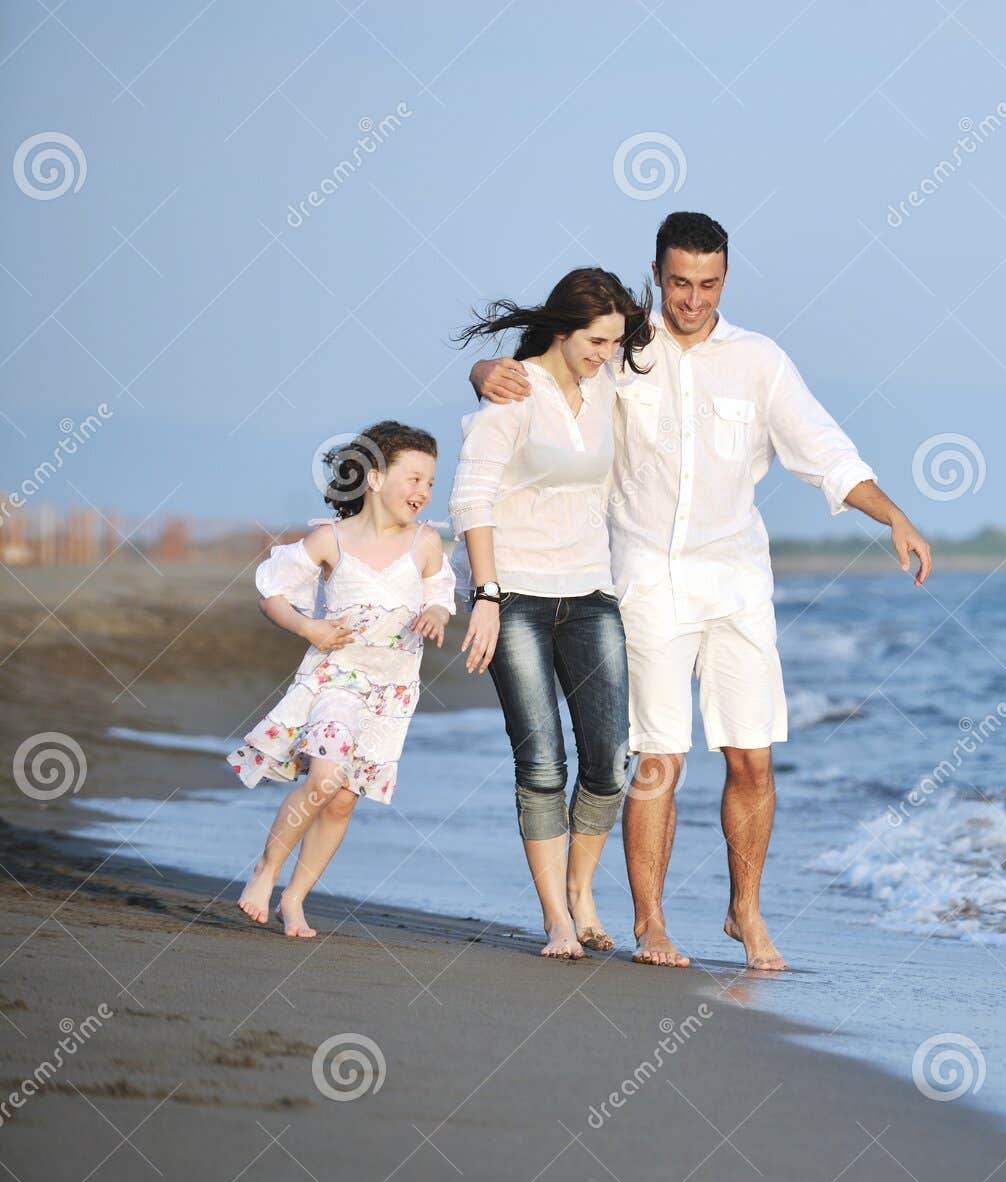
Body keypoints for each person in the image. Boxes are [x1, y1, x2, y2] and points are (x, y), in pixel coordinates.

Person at [471, 212, 933, 970]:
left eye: (709, 283)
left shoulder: (760, 360)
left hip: (738, 579)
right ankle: (651, 921)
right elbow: (542, 374)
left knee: (752, 757)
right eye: (680, 282)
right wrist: (483, 372)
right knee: (658, 757)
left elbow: (825, 452)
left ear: (727, 278)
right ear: (657, 272)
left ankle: (745, 912)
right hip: (646, 576)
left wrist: (896, 517)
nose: (692, 298)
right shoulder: (625, 351)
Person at [450, 268, 655, 959]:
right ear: (564, 329)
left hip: (591, 591)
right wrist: (485, 595)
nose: (606, 352)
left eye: (614, 341)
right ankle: (557, 920)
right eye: (596, 340)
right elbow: (471, 499)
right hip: (516, 598)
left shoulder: (606, 383)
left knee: (609, 759)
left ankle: (581, 889)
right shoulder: (510, 391)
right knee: (542, 762)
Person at [230, 422, 455, 937]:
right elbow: (273, 592)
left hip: (391, 691)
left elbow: (441, 592)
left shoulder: (425, 543)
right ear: (374, 478)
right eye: (413, 479)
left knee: (344, 797)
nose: (422, 493)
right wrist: (309, 626)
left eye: (430, 484)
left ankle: (296, 898)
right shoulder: (329, 539)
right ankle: (265, 873)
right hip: (335, 677)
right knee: (325, 779)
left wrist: (438, 615)